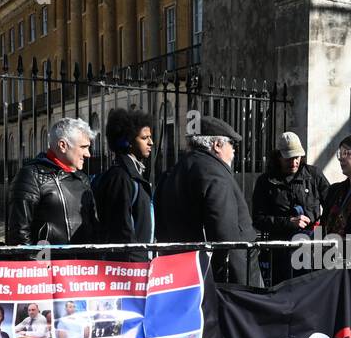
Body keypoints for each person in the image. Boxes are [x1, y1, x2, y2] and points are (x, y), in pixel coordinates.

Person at [153, 114, 261, 286]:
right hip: (219, 277)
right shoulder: (214, 173)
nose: (234, 151)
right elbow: (225, 235)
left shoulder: (175, 171)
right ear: (217, 145)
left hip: (181, 270)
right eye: (232, 144)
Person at [251, 132, 330, 284]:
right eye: (289, 157)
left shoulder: (314, 175)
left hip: (313, 247)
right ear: (278, 156)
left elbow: (332, 207)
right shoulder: (265, 182)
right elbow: (258, 219)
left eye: (297, 157)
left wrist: (323, 232)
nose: (294, 162)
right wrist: (288, 222)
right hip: (282, 252)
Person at [6, 117, 97, 245]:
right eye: (83, 147)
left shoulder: (82, 178)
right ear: (62, 145)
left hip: (81, 263)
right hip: (50, 262)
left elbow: (92, 226)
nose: (88, 154)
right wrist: (41, 263)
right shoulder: (31, 176)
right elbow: (19, 235)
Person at [91, 107, 154, 259]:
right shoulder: (121, 177)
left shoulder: (133, 174)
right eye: (144, 138)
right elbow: (121, 231)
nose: (151, 142)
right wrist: (138, 263)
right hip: (129, 269)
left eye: (150, 137)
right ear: (129, 141)